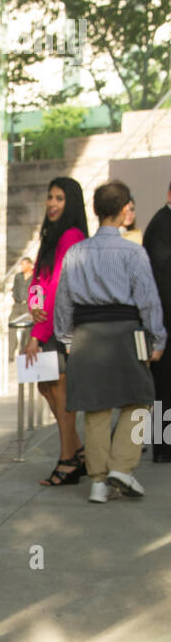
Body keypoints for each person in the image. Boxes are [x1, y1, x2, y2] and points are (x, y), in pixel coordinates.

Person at [54, 179, 166, 503]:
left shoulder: (76, 252)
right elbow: (148, 300)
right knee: (141, 399)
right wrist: (157, 338)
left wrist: (66, 338)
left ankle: (98, 482)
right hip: (127, 333)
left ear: (95, 210)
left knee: (96, 407)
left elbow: (64, 301)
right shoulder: (133, 252)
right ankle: (122, 467)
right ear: (122, 211)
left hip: (87, 336)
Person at [23, 177, 88, 486]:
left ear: (71, 202)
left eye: (59, 198)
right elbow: (39, 280)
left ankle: (67, 460)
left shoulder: (72, 236)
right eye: (50, 197)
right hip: (45, 323)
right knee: (46, 387)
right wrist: (33, 305)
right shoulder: (52, 235)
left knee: (59, 393)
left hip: (60, 328)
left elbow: (60, 287)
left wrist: (37, 333)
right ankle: (77, 452)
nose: (52, 203)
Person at [143, 180, 171, 463]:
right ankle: (163, 447)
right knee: (162, 385)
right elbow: (161, 277)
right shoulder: (161, 224)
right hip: (163, 320)